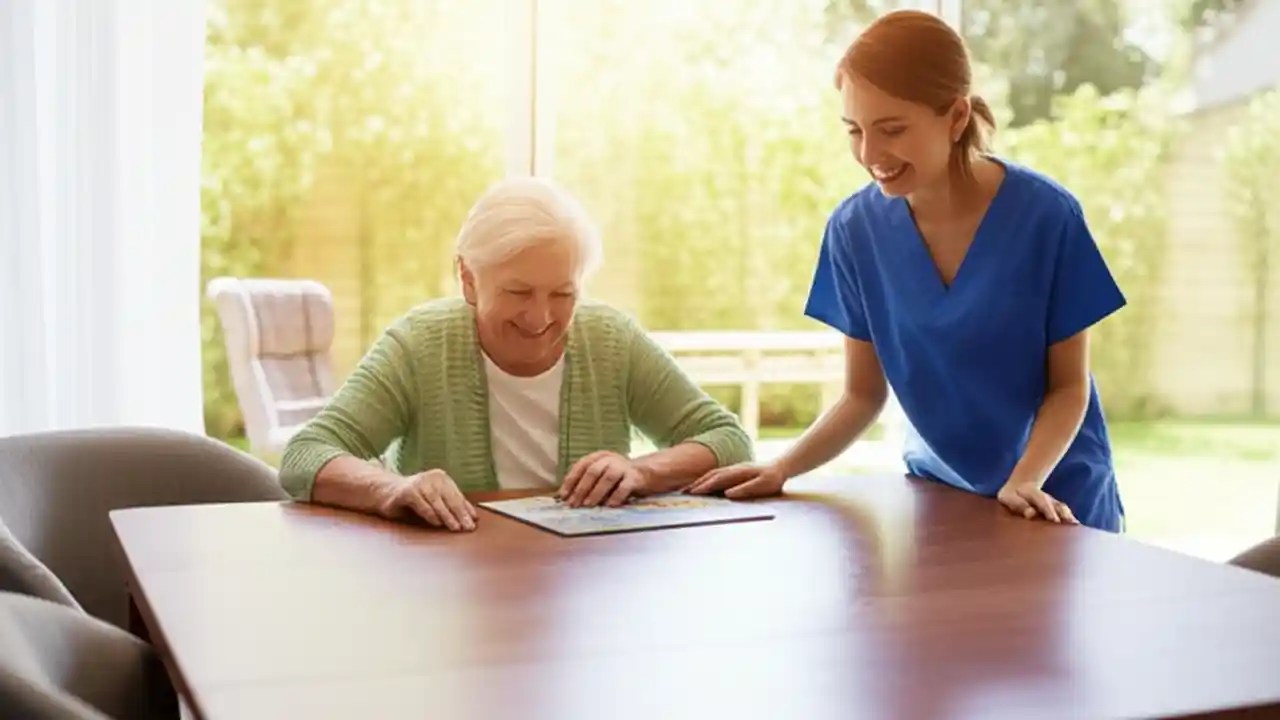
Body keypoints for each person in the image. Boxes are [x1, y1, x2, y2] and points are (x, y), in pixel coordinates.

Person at [689, 9, 1127, 532]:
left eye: (892, 129)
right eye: (854, 131)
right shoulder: (854, 230)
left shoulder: (1048, 216)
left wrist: (1025, 479)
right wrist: (782, 467)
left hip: (1055, 499)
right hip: (944, 498)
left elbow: (1068, 388)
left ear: (957, 117)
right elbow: (861, 395)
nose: (870, 154)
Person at [280, 177, 752, 531]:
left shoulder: (611, 340)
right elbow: (305, 456)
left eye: (563, 293)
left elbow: (728, 440)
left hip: (585, 584)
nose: (540, 317)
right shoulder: (420, 345)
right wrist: (394, 489)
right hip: (455, 582)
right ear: (468, 278)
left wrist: (641, 471)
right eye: (518, 292)